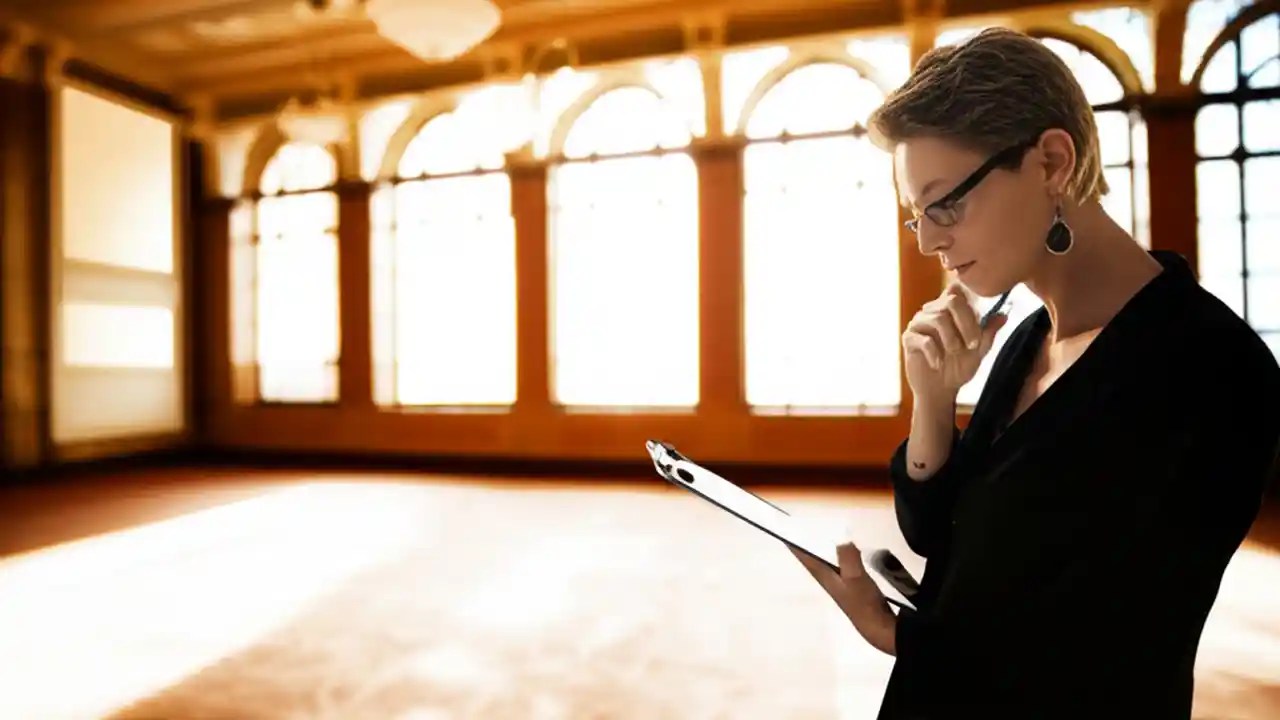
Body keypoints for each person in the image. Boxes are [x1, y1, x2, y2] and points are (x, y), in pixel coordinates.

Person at [789, 26, 1280, 719]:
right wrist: (933, 403)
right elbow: (938, 538)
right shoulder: (1026, 340)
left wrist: (900, 634)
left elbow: (1109, 648)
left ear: (1051, 161)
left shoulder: (1211, 369)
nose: (928, 240)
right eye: (915, 217)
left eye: (944, 204)